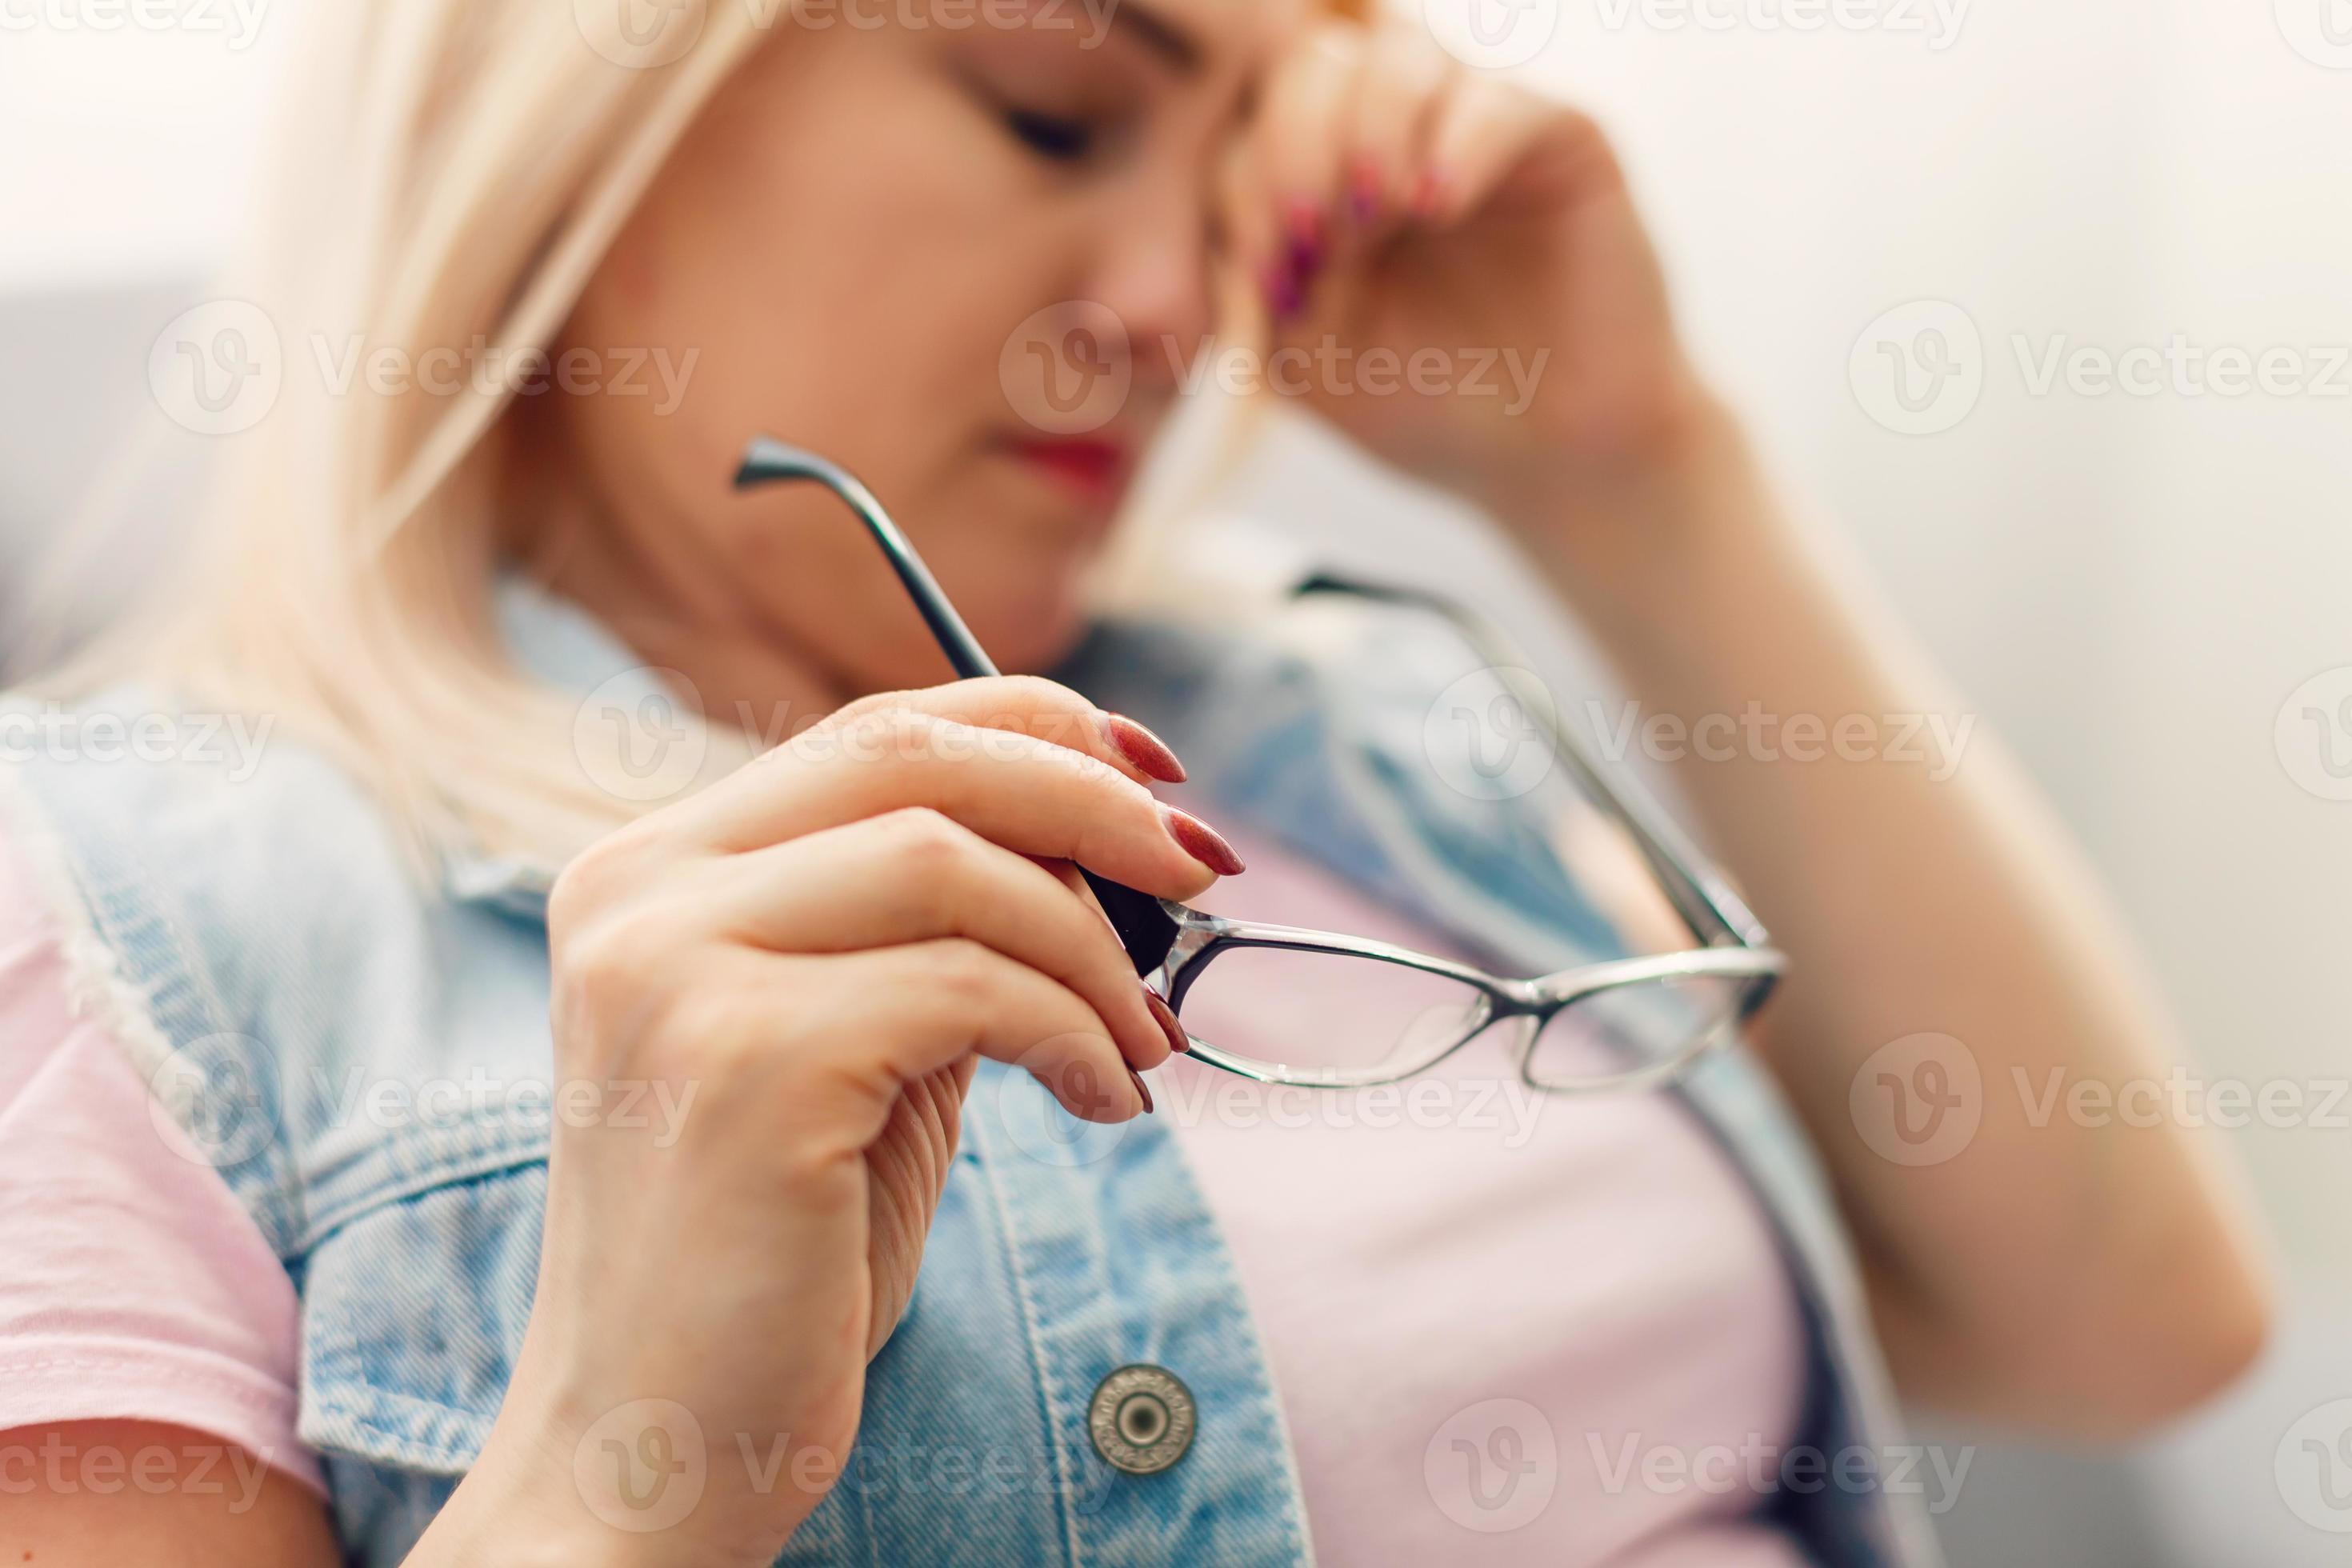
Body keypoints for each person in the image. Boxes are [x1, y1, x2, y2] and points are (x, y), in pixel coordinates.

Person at [0, 1, 2270, 1563]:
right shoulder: (130, 933)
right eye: (1059, 108)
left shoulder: (1364, 732)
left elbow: (2131, 1327)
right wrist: (619, 1476)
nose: (1183, 304)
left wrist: (1634, 481)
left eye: (1239, 188)